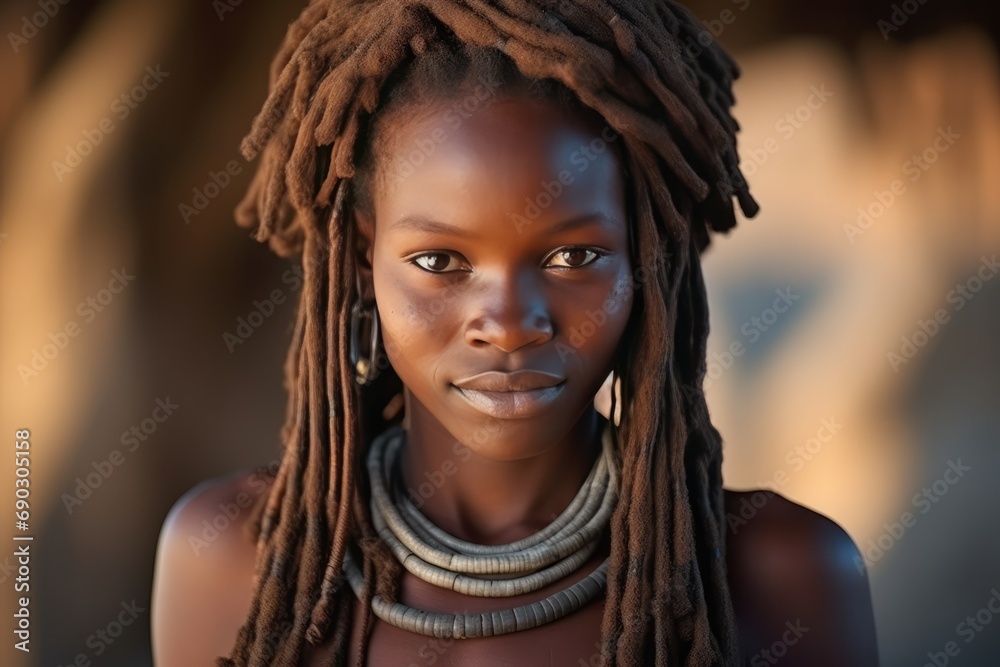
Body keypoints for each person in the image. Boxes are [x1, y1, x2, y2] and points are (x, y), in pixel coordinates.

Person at [151, 1, 880, 665]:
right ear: (362, 261)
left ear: (647, 266)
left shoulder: (783, 574)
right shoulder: (228, 557)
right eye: (440, 261)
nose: (508, 323)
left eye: (573, 257)